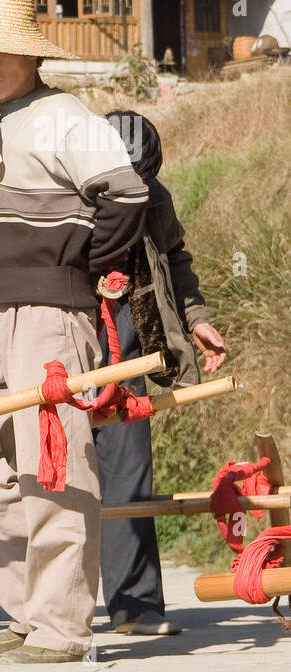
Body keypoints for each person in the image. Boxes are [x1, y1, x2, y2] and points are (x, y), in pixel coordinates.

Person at [0, 0, 148, 663]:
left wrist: (81, 266)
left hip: (51, 312)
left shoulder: (64, 116)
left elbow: (126, 196)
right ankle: (34, 605)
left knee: (53, 464)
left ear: (31, 57)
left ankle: (62, 627)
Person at [94, 110, 227, 636]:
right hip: (64, 335)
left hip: (130, 342)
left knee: (128, 476)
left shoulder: (156, 198)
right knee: (58, 477)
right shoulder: (63, 197)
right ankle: (51, 613)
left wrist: (196, 319)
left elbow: (174, 256)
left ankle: (136, 607)